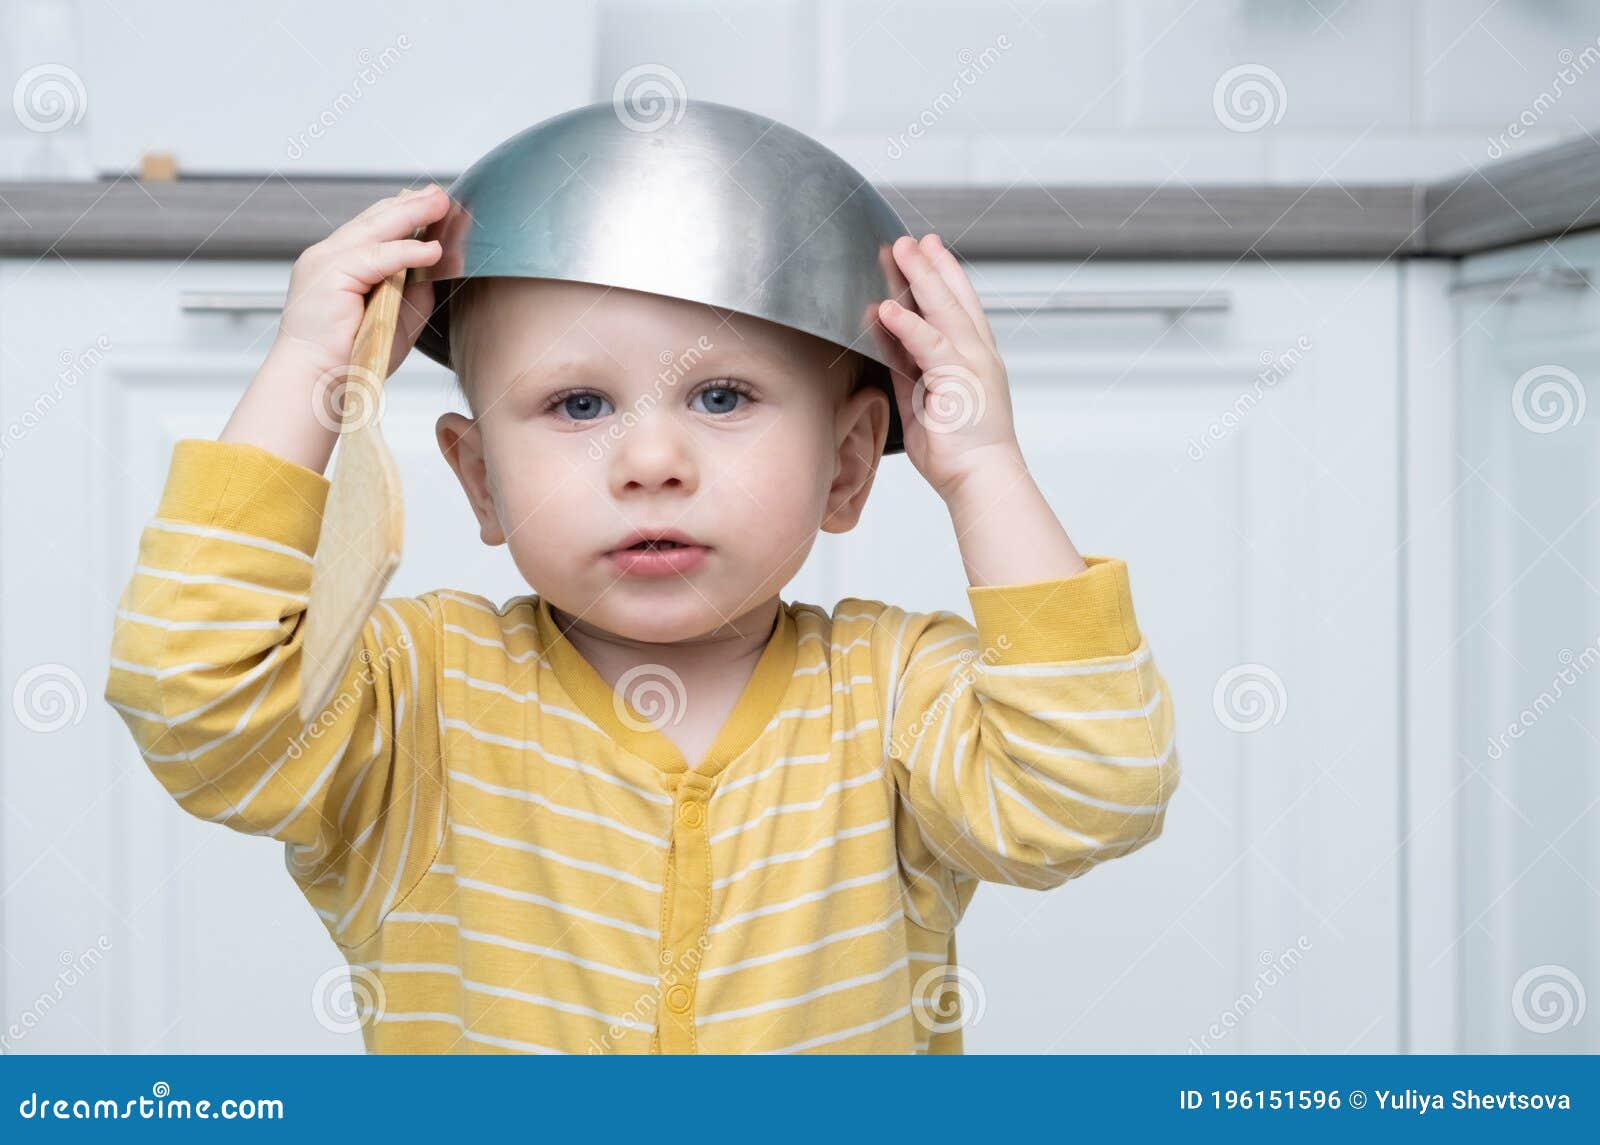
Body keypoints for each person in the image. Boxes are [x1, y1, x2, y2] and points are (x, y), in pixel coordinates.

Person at [103, 166, 1179, 1054]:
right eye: (578, 404)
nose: (652, 461)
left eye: (723, 397)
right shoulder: (413, 696)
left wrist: (983, 465)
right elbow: (197, 699)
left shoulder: (899, 693)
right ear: (480, 479)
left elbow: (1091, 790)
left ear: (849, 463)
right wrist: (308, 371)